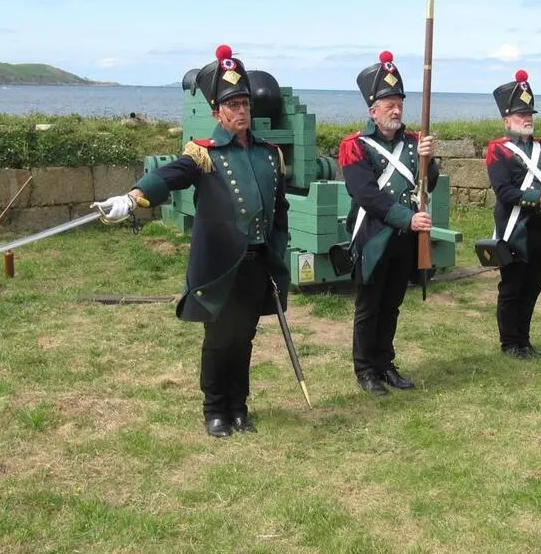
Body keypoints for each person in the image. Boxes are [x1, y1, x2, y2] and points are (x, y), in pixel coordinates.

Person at [91, 45, 290, 438]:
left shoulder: (270, 155)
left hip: (256, 262)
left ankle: (239, 408)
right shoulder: (204, 154)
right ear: (217, 112)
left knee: (245, 338)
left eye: (245, 102)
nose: (241, 111)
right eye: (232, 104)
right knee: (219, 340)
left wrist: (277, 256)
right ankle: (215, 409)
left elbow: (279, 212)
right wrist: (133, 197)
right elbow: (172, 175)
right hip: (221, 265)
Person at [339, 50, 438, 396]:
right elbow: (366, 195)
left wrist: (430, 159)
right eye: (388, 104)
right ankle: (365, 369)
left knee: (392, 304)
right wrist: (408, 219)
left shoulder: (413, 143)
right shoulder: (354, 146)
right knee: (369, 307)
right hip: (372, 236)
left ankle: (385, 363)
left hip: (404, 239)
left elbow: (429, 183)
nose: (395, 110)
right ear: (373, 110)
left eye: (399, 103)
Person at [484, 69, 541, 359]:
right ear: (507, 120)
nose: (527, 118)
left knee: (533, 286)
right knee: (512, 288)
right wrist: (540, 197)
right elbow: (505, 192)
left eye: (529, 113)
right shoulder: (499, 150)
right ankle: (510, 342)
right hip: (514, 228)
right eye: (521, 114)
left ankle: (524, 339)